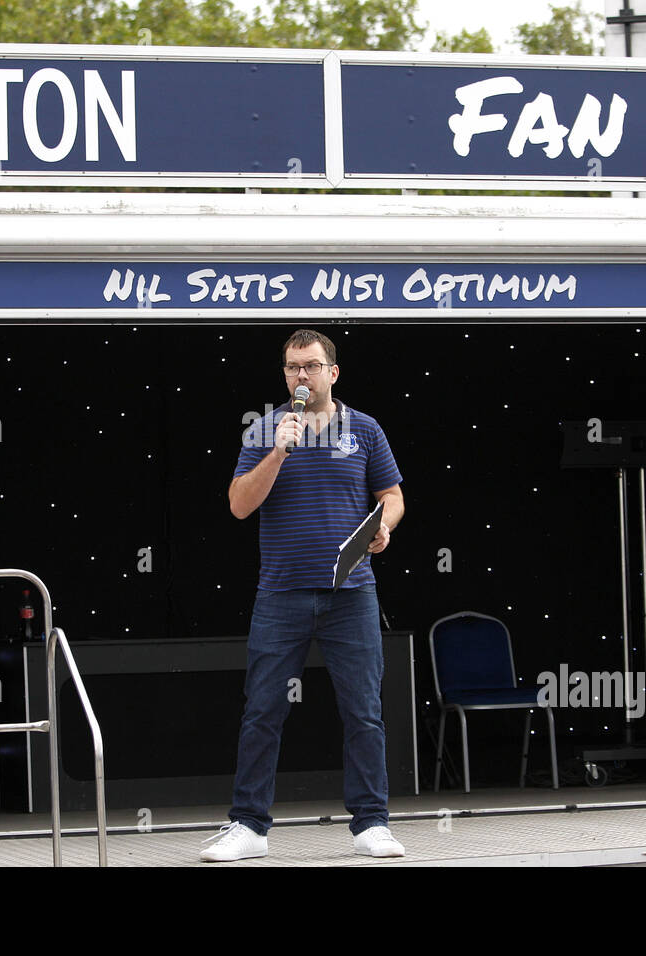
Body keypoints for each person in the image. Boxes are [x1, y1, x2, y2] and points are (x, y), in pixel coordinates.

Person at [202, 329, 406, 862]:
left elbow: (393, 496)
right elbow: (239, 506)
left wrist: (384, 526)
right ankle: (248, 826)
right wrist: (278, 451)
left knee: (363, 711)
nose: (301, 377)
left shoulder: (363, 429)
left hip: (351, 592)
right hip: (281, 594)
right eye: (292, 368)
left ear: (332, 373)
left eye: (311, 367)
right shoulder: (265, 430)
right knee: (262, 710)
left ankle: (371, 824)